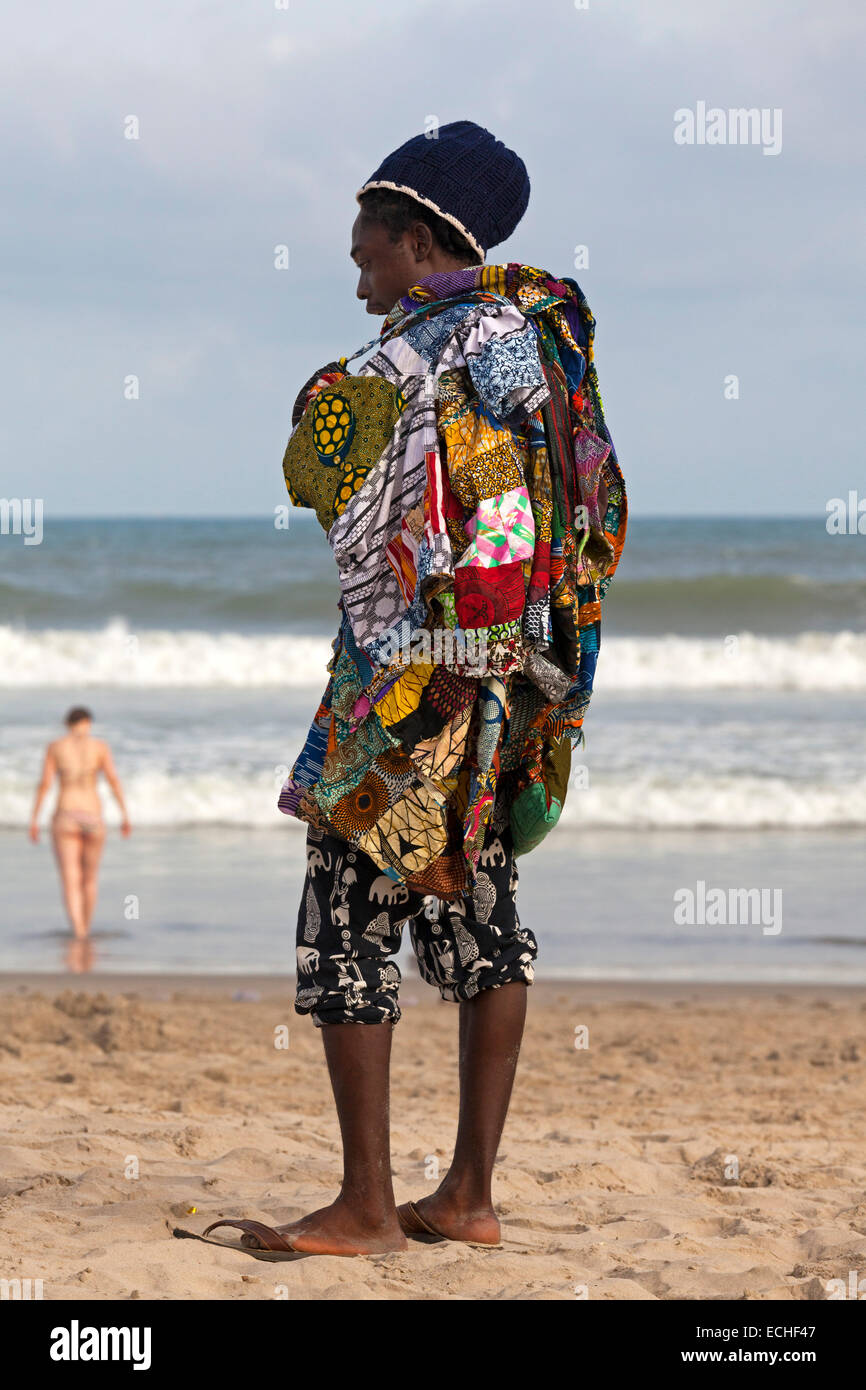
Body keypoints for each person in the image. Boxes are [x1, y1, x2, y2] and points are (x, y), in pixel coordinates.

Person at [205, 121, 626, 1257]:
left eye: (366, 252)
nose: (357, 278)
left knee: (345, 915)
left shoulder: (461, 342)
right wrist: (500, 672)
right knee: (477, 910)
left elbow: (489, 510)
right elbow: (557, 513)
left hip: (426, 680)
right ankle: (467, 1198)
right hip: (497, 683)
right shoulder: (529, 338)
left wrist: (450, 664)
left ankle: (366, 1207)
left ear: (417, 238)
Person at [30, 706, 131, 939]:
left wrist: (34, 819)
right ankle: (87, 925)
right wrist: (125, 815)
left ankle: (79, 932)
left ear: (67, 724)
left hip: (66, 815)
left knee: (70, 878)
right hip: (93, 815)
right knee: (90, 878)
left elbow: (45, 784)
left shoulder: (56, 747)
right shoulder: (100, 747)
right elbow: (114, 780)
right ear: (88, 723)